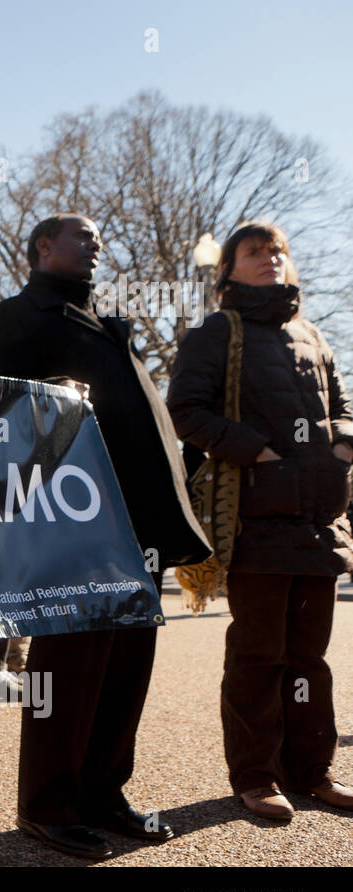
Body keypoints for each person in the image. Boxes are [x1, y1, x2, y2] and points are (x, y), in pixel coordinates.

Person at [0, 215, 211, 859]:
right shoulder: (13, 319)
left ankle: (105, 794)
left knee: (127, 668)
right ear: (43, 246)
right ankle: (47, 806)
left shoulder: (105, 325)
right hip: (73, 521)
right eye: (82, 236)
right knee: (69, 667)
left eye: (99, 237)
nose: (96, 243)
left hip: (140, 522)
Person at [167, 222, 353, 821]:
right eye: (253, 251)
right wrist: (259, 454)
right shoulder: (218, 331)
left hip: (322, 523)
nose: (270, 258)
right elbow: (185, 411)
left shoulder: (313, 334)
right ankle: (255, 776)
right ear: (228, 271)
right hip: (257, 522)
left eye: (277, 250)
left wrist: (344, 447)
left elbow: (344, 407)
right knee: (257, 656)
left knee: (310, 660)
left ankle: (313, 771)